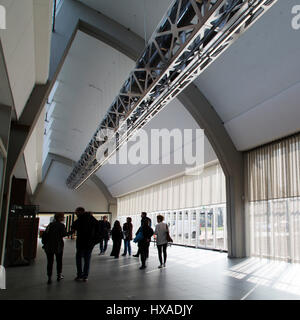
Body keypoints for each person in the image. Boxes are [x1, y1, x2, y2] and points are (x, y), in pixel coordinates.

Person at [71, 209, 99, 282]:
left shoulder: (79, 219)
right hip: (90, 243)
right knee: (87, 259)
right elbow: (98, 227)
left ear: (79, 212)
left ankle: (79, 275)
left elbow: (73, 226)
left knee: (79, 258)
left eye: (76, 213)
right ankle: (85, 276)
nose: (76, 214)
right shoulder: (91, 218)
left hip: (81, 242)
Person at [42, 212, 70, 284]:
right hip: (58, 246)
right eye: (63, 217)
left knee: (50, 262)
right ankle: (59, 275)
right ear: (59, 218)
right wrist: (70, 232)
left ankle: (49, 277)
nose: (63, 218)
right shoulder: (61, 225)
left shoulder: (50, 225)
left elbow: (45, 234)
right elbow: (64, 234)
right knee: (59, 261)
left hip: (49, 245)